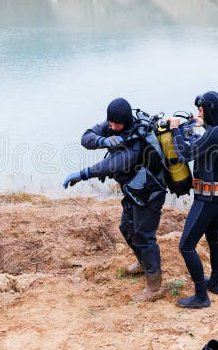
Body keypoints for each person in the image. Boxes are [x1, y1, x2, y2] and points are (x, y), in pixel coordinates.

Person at [63, 97, 166, 302]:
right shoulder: (113, 125)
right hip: (133, 190)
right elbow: (86, 137)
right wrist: (102, 140)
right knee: (126, 228)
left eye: (116, 123)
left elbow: (112, 165)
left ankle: (155, 287)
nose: (112, 126)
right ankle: (143, 265)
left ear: (126, 120)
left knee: (144, 236)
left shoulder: (136, 141)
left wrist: (82, 174)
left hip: (150, 193)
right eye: (110, 122)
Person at [169, 91, 218, 308]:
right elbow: (213, 139)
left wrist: (174, 130)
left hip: (206, 199)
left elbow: (186, 154)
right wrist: (203, 125)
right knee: (214, 240)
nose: (198, 112)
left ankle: (201, 295)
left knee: (186, 246)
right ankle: (214, 283)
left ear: (209, 109)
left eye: (201, 109)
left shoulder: (215, 133)